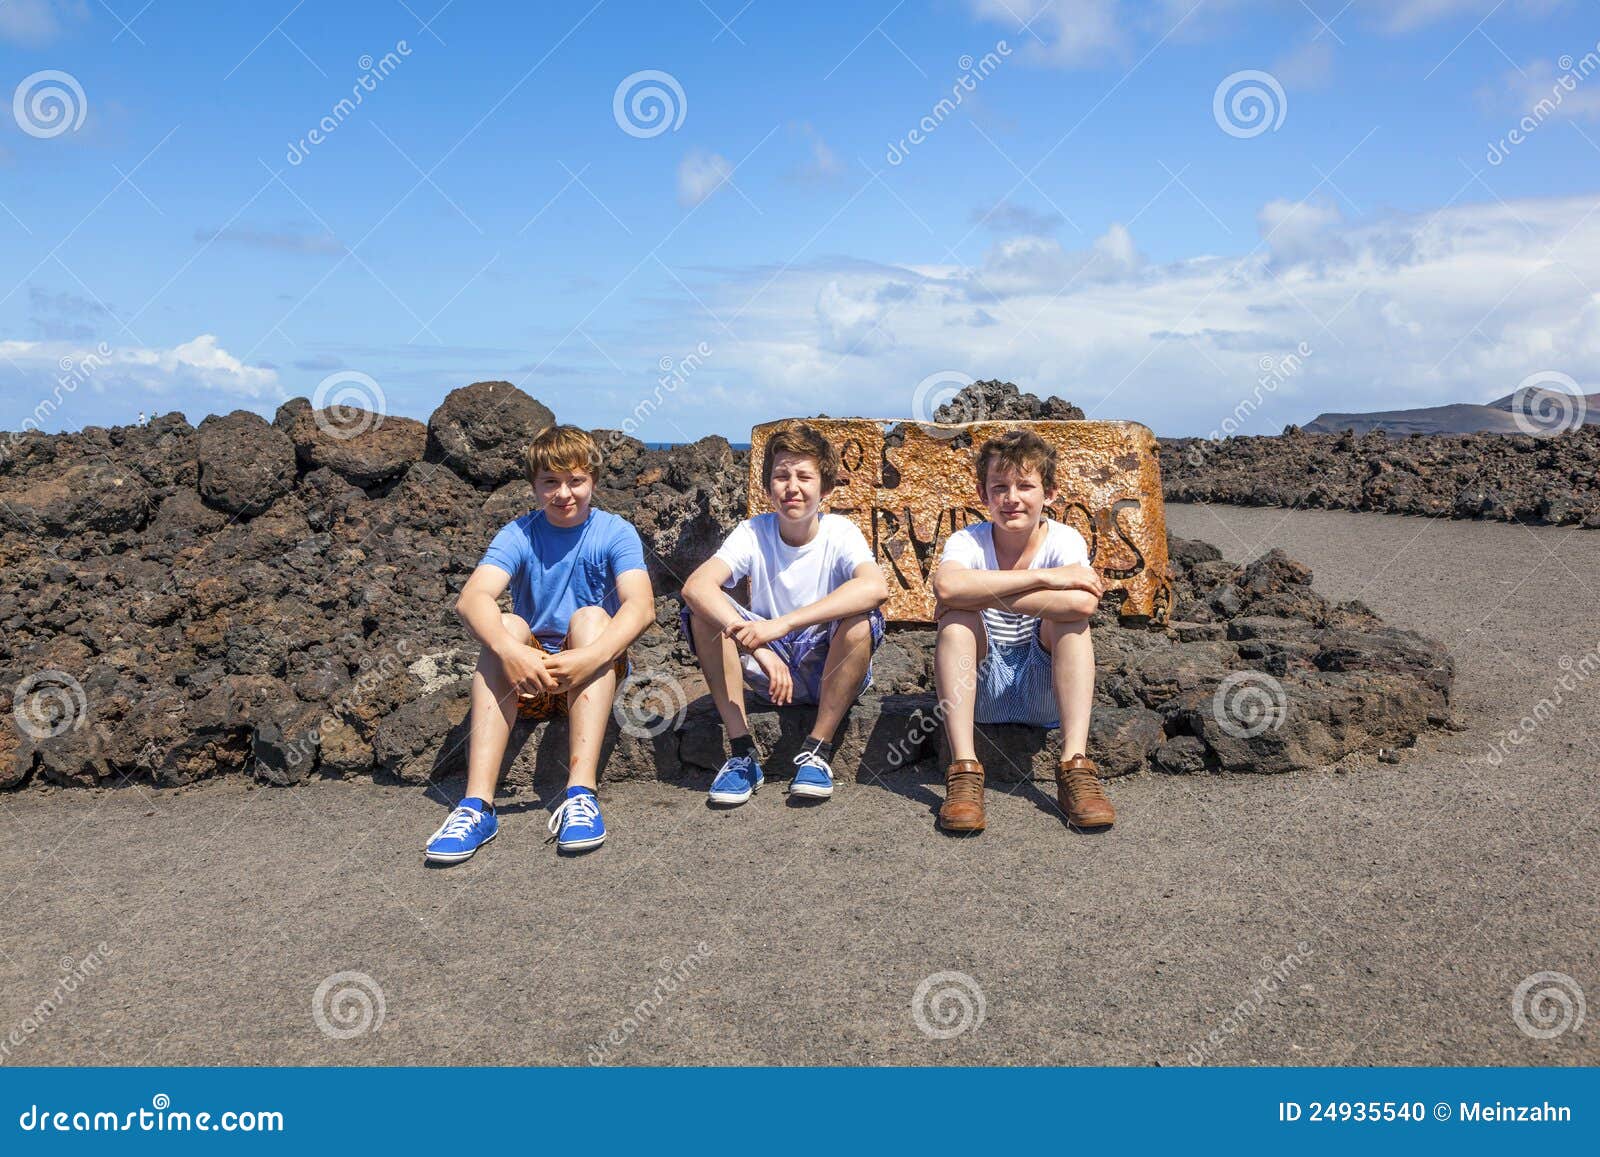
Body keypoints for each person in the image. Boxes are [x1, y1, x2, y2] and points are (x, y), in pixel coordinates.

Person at [424, 425, 654, 861]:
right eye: (551, 482)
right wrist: (512, 653)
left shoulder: (615, 532)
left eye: (576, 481)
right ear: (534, 486)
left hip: (591, 673)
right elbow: (472, 598)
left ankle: (580, 795)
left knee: (590, 618)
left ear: (594, 482)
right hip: (528, 679)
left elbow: (640, 606)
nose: (564, 493)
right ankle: (477, 805)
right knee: (506, 626)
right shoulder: (519, 533)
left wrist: (588, 658)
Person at [679, 421, 888, 805]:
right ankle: (742, 753)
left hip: (824, 658)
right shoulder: (752, 532)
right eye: (781, 476)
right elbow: (696, 586)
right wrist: (760, 647)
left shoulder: (841, 532)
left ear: (824, 489)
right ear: (767, 486)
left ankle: (816, 750)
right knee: (700, 612)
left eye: (804, 476)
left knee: (862, 619)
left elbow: (875, 587)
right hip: (767, 666)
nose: (792, 487)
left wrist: (783, 625)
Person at [930, 429, 1114, 833]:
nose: (1011, 497)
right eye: (1000, 487)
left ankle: (1075, 766)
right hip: (979, 688)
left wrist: (976, 593)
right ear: (984, 495)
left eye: (1025, 486)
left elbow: (1082, 604)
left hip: (1045, 687)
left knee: (1071, 624)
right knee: (956, 624)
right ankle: (963, 770)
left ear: (1048, 493)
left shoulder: (1064, 539)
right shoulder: (967, 541)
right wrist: (1050, 579)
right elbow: (946, 589)